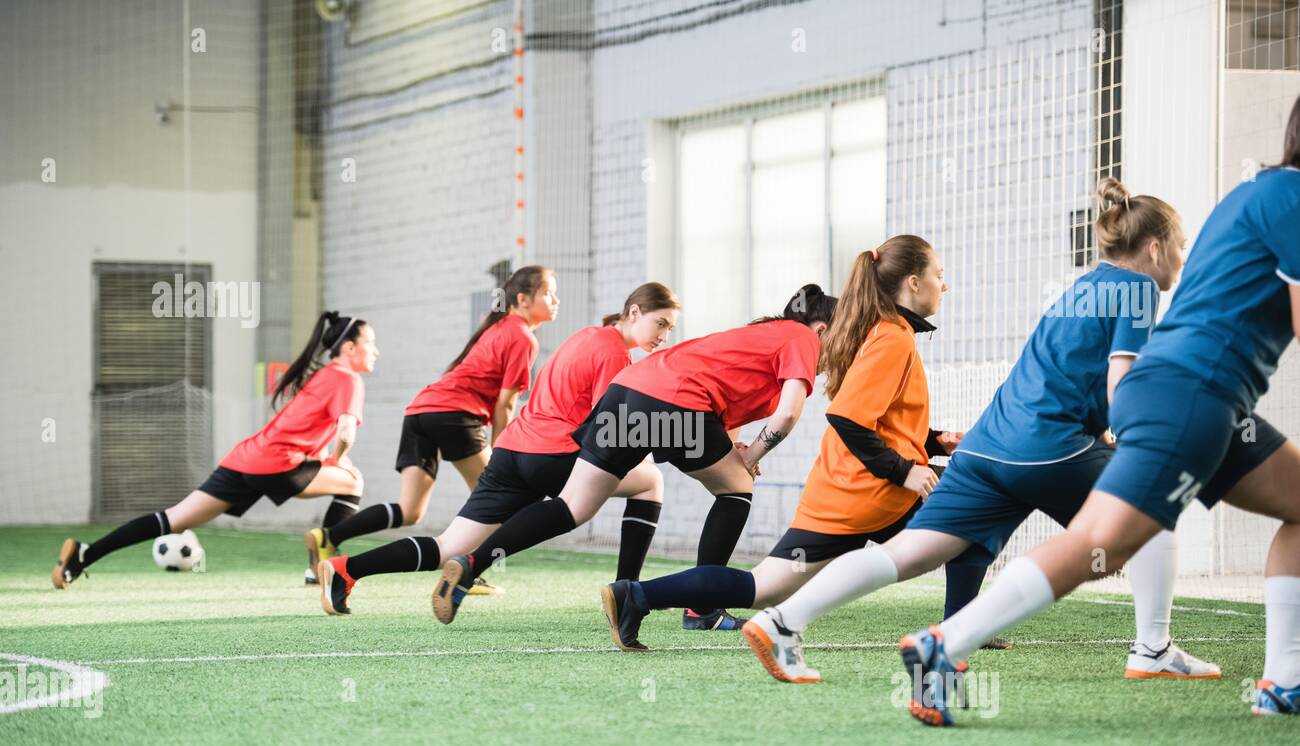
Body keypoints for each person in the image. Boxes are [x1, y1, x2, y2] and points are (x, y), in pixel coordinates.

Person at [900, 97, 1300, 724]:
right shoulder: (1292, 201)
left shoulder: (1253, 195)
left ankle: (1282, 682)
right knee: (1102, 546)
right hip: (1189, 396)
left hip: (1196, 398)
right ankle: (944, 643)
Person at [742, 183, 1210, 686]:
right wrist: (1140, 437)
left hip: (988, 448)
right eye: (1182, 247)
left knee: (906, 553)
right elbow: (1122, 381)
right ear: (1156, 248)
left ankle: (785, 620)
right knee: (1151, 513)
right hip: (1047, 447)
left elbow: (1068, 377)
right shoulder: (1137, 288)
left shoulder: (1082, 285)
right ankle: (1152, 649)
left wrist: (1099, 436)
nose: (1183, 260)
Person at [602, 242, 983, 659]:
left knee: (764, 587)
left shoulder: (889, 333)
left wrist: (934, 439)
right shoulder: (891, 337)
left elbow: (882, 421)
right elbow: (849, 419)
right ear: (913, 282)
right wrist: (904, 471)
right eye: (939, 275)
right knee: (973, 515)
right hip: (869, 493)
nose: (944, 286)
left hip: (845, 495)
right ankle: (959, 630)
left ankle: (635, 596)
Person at [430, 284, 830, 639]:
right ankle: (702, 609)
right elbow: (788, 415)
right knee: (737, 489)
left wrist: (742, 454)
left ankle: (471, 563)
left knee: (574, 505)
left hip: (627, 392)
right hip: (673, 405)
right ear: (822, 329)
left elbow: (725, 419)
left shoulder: (760, 336)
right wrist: (751, 459)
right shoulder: (802, 337)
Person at [316, 283, 679, 615]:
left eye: (669, 329)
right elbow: (605, 432)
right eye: (659, 323)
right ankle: (625, 593)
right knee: (650, 482)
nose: (663, 335)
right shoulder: (615, 355)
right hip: (553, 452)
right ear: (633, 312)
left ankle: (347, 570)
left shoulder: (586, 335)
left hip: (509, 452)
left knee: (446, 547)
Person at [53, 311, 375, 588]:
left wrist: (322, 458)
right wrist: (339, 459)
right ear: (349, 348)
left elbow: (301, 426)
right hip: (278, 465)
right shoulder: (348, 380)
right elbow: (346, 431)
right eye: (370, 343)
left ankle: (83, 555)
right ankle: (320, 567)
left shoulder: (322, 376)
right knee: (353, 481)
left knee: (173, 519)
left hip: (246, 459)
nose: (375, 351)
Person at [301, 265, 555, 588]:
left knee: (410, 511)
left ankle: (329, 536)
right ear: (523, 299)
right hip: (455, 415)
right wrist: (505, 455)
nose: (556, 300)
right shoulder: (522, 335)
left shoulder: (497, 327)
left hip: (421, 411)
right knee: (498, 500)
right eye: (548, 293)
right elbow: (504, 403)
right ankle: (464, 571)